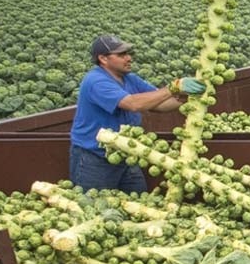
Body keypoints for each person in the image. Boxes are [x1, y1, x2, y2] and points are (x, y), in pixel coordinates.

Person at [70, 35, 202, 192]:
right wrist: (174, 87)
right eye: (121, 55)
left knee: (138, 201)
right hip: (95, 159)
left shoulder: (130, 79)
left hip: (128, 153)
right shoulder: (96, 81)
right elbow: (133, 104)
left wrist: (190, 98)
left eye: (128, 53)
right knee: (96, 206)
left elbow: (159, 104)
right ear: (103, 59)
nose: (128, 58)